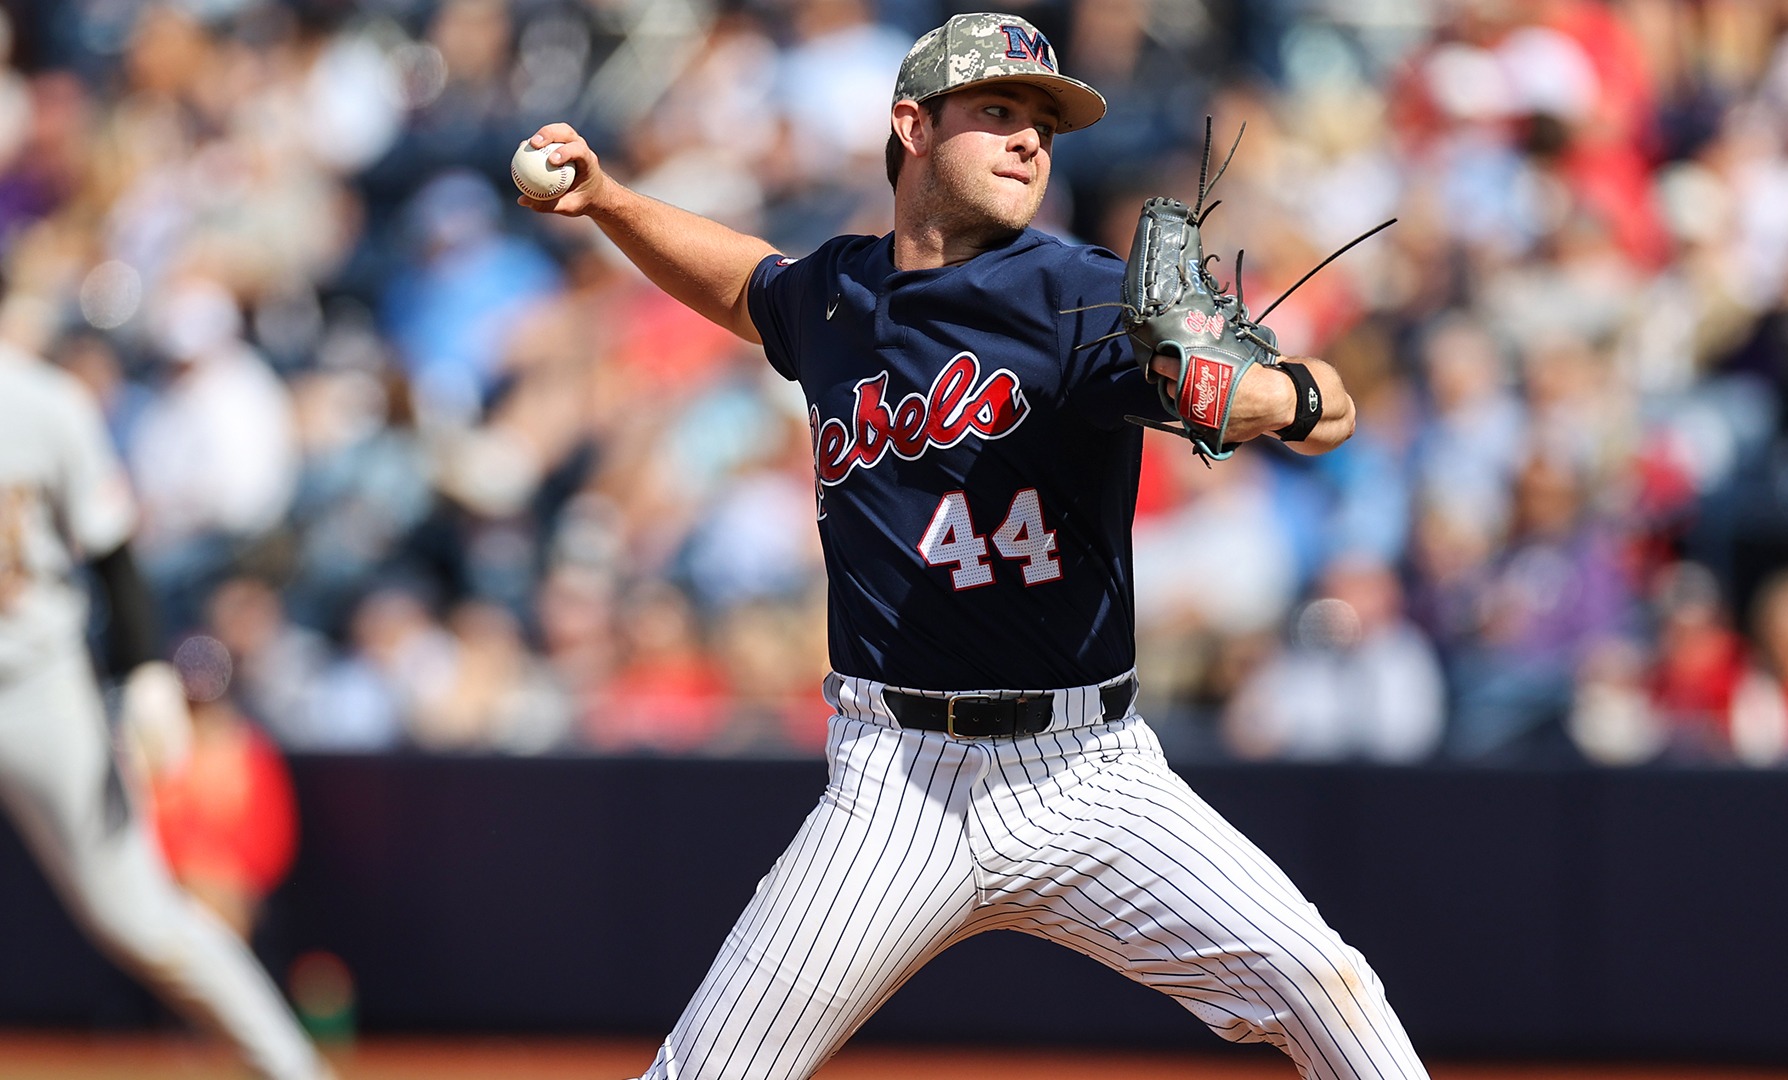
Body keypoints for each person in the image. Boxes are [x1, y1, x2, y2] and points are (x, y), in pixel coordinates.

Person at [521, 12, 1427, 1079]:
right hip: (893, 781)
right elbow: (746, 284)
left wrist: (1278, 395)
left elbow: (1330, 411)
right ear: (912, 126)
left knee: (1328, 991)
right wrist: (612, 202)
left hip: (1088, 773)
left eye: (1043, 122)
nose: (1030, 139)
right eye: (997, 110)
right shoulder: (838, 294)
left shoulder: (1080, 295)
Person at [0, 340, 330, 1080]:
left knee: (137, 914)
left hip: (32, 683)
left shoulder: (42, 402)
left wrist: (144, 668)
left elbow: (113, 553)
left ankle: (293, 1069)